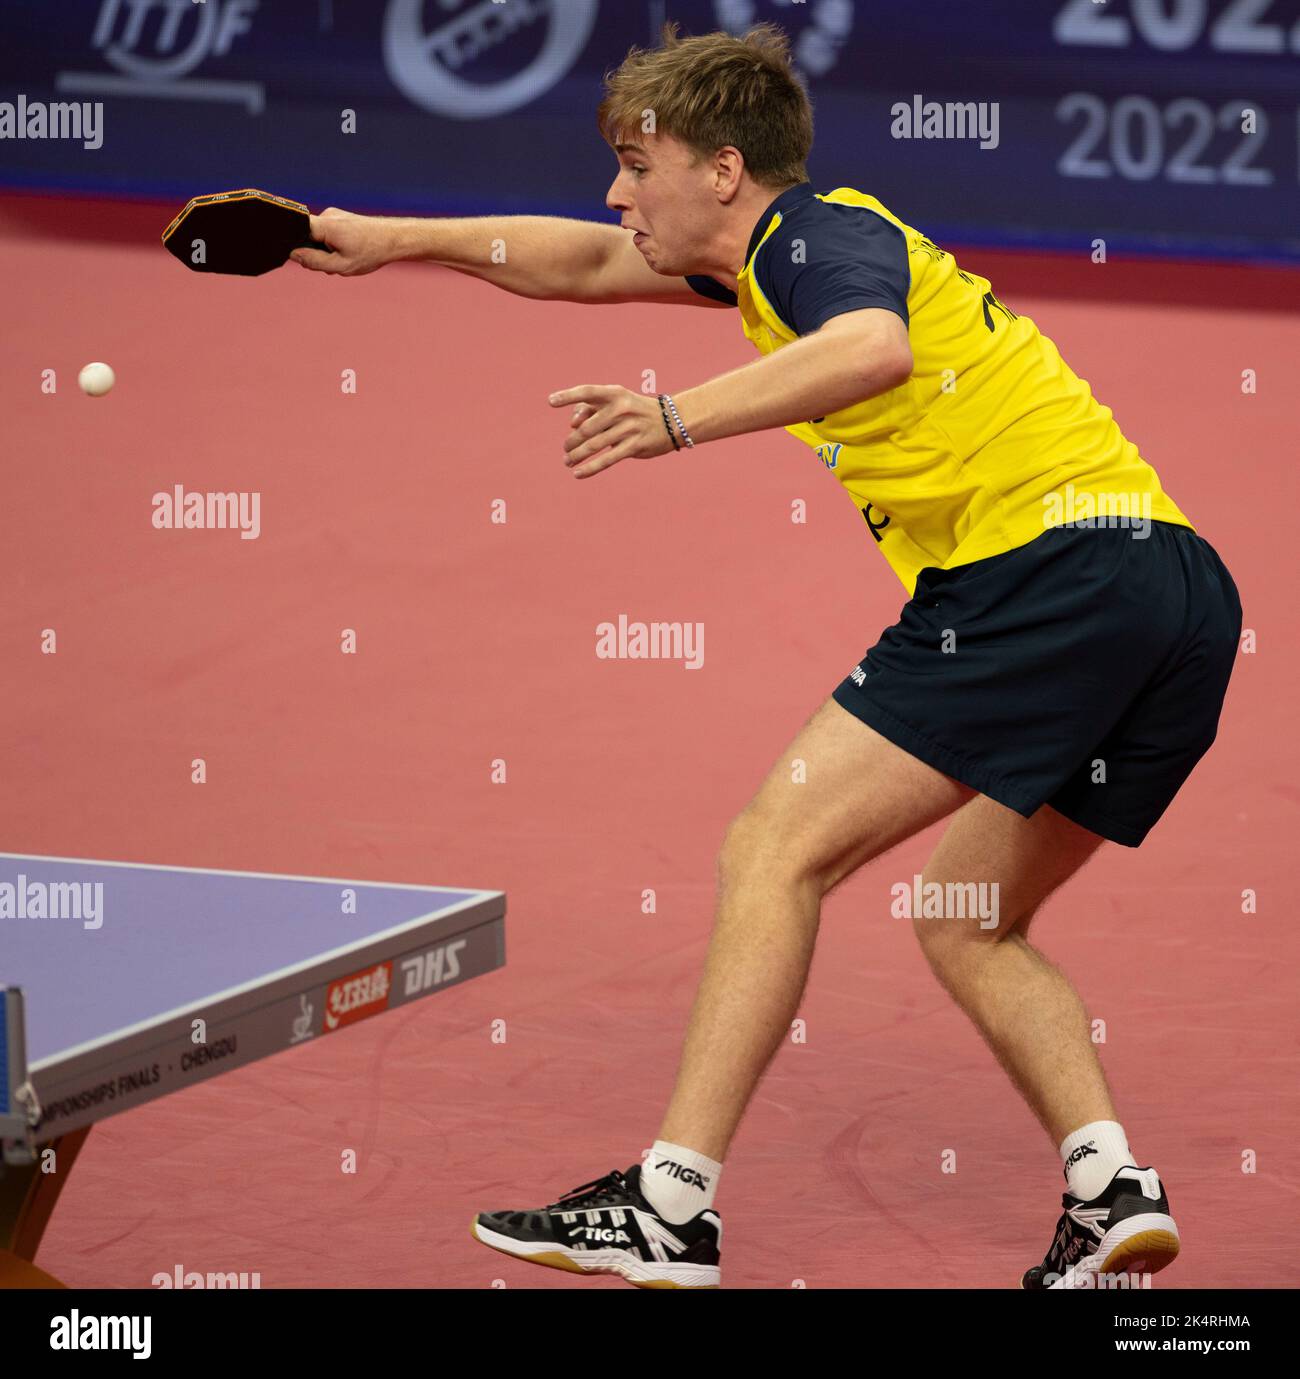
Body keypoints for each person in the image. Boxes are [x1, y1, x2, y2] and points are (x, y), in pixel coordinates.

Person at [293, 23, 1241, 1290]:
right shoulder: (765, 265)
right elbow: (576, 260)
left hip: (1043, 573)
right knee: (971, 918)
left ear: (724, 170)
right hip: (1174, 594)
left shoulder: (814, 241)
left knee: (770, 849)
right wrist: (395, 240)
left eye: (640, 165)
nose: (618, 194)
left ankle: (671, 1205)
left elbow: (871, 349)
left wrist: (671, 419)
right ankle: (1109, 1183)